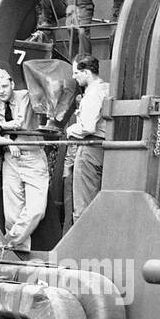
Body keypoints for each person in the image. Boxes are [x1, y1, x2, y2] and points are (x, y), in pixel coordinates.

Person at [67, 55, 110, 224]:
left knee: (83, 206)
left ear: (86, 72)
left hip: (89, 149)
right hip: (104, 149)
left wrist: (70, 130)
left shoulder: (93, 92)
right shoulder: (107, 88)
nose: (73, 76)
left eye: (76, 72)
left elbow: (87, 127)